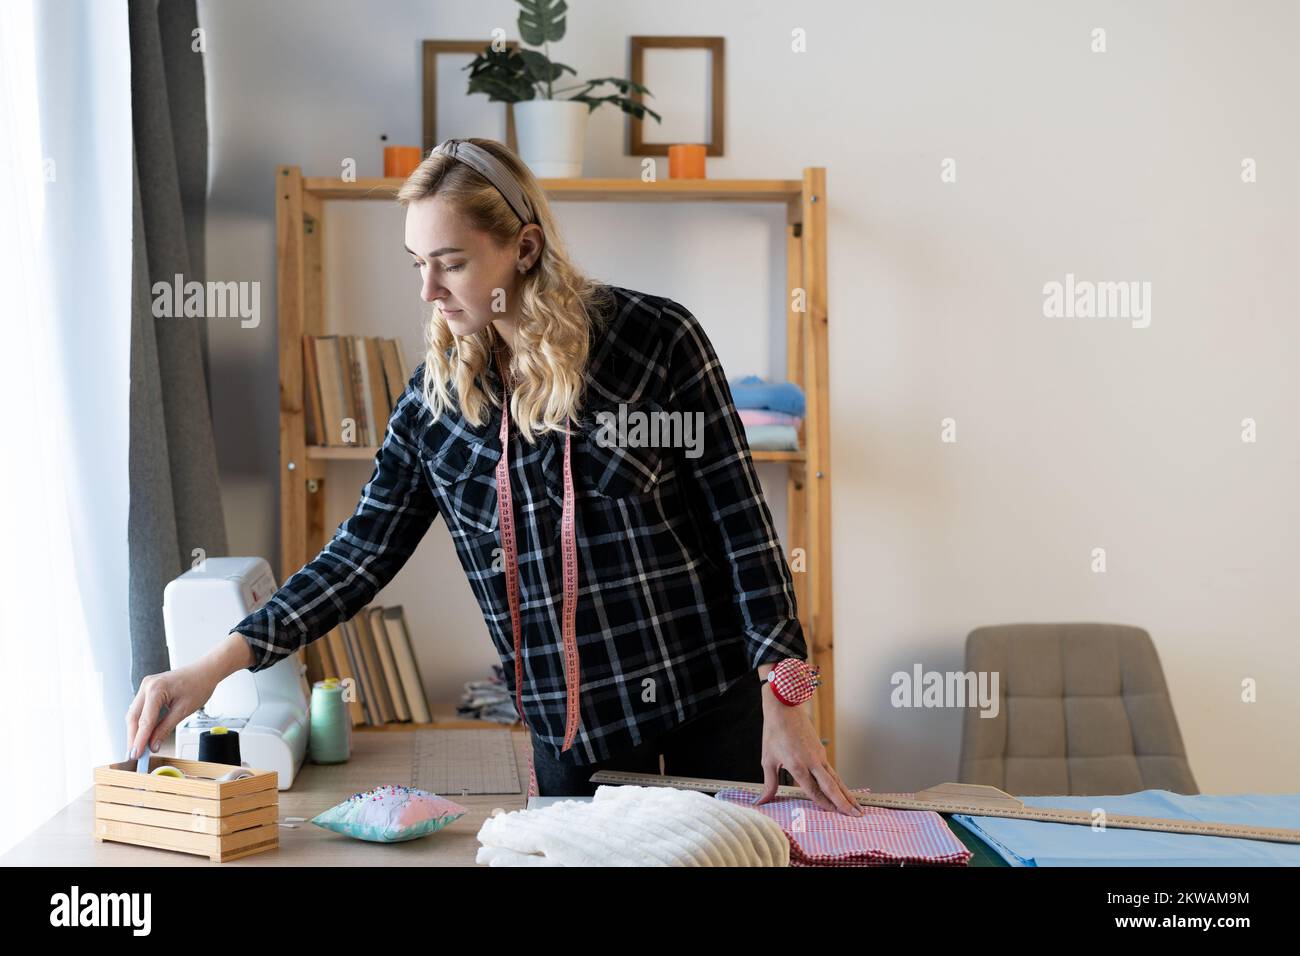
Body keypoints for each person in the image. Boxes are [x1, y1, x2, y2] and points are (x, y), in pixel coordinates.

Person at [125, 137, 862, 816]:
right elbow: (357, 557)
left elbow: (745, 531)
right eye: (418, 264)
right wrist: (209, 670)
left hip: (712, 710)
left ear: (525, 247)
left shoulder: (657, 341)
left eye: (451, 262)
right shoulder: (432, 405)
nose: (429, 291)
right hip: (575, 745)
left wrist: (788, 697)